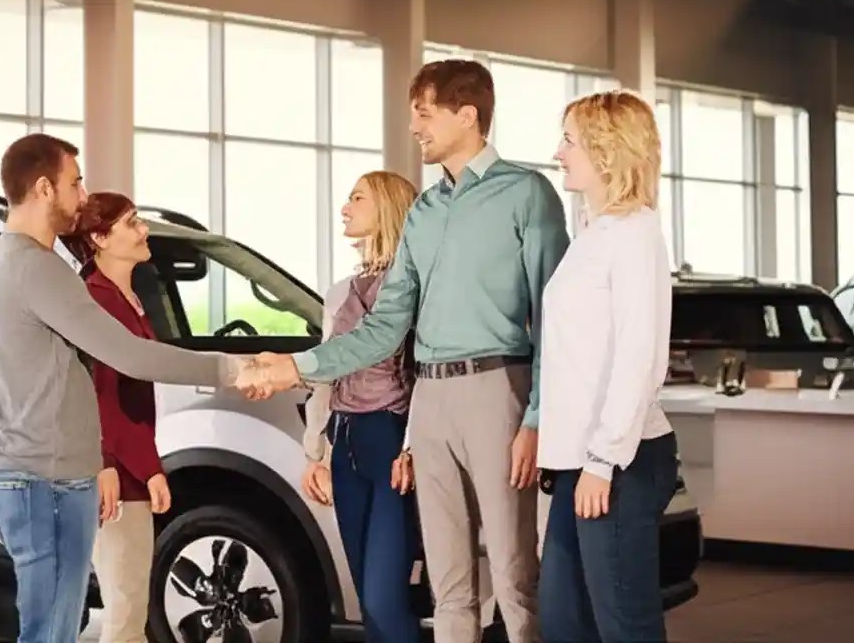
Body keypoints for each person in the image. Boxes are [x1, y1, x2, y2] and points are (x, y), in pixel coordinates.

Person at [246, 60, 570, 643]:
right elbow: (386, 326)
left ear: (467, 115)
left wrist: (538, 417)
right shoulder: (423, 211)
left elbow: (554, 319)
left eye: (425, 111)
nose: (415, 126)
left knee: (515, 573)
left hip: (499, 387)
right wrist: (297, 366)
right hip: (431, 399)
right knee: (447, 581)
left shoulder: (527, 193)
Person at [0, 133, 244, 643]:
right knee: (51, 634)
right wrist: (233, 370)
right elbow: (128, 357)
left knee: (52, 630)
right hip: (47, 484)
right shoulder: (38, 267)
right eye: (74, 183)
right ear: (43, 188)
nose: (82, 195)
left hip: (32, 478)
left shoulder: (0, 261)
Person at [537, 89, 678, 643]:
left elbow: (639, 358)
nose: (558, 152)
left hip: (620, 460)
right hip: (583, 459)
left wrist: (601, 460)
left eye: (569, 140)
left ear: (605, 149)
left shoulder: (637, 233)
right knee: (565, 621)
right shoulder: (594, 235)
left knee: (625, 627)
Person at [300, 170, 420, 642]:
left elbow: (425, 376)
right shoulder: (338, 292)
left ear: (387, 208)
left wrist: (413, 446)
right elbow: (324, 376)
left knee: (383, 598)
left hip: (391, 442)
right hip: (346, 442)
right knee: (367, 606)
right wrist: (315, 450)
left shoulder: (410, 285)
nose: (345, 207)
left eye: (356, 198)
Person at [62, 192, 169, 643]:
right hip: (116, 473)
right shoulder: (97, 301)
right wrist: (136, 467)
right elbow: (99, 394)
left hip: (129, 464)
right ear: (100, 237)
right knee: (125, 612)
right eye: (132, 223)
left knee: (130, 609)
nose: (143, 230)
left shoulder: (128, 295)